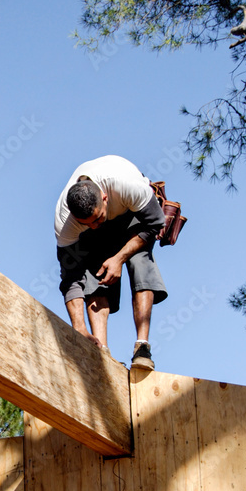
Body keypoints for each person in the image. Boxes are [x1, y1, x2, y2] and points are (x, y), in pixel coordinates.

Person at [54, 154, 167, 370]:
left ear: (104, 198)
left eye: (97, 218)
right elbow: (70, 278)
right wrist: (78, 328)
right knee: (95, 273)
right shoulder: (66, 223)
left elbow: (155, 224)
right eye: (88, 223)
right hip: (91, 232)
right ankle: (101, 350)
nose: (95, 225)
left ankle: (142, 347)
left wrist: (119, 257)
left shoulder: (127, 186)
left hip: (132, 214)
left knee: (140, 262)